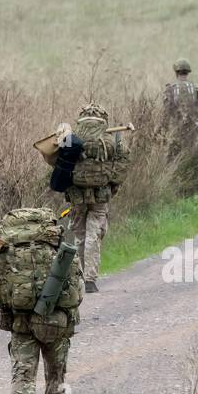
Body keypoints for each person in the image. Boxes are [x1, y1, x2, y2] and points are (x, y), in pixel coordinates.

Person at [0, 206, 84, 394]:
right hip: (57, 326)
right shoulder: (59, 251)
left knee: (22, 376)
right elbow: (76, 294)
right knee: (58, 378)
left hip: (20, 324)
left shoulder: (7, 252)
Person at [63, 103, 129, 292]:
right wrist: (113, 185)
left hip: (76, 193)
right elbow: (122, 162)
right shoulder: (112, 138)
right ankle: (90, 280)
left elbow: (59, 161)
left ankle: (79, 278)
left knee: (79, 235)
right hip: (102, 193)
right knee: (94, 233)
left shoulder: (71, 137)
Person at [160, 58, 198, 159]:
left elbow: (166, 112)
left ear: (176, 72)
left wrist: (163, 130)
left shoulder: (170, 89)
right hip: (193, 129)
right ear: (188, 72)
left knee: (173, 159)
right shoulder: (196, 88)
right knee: (192, 156)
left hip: (176, 130)